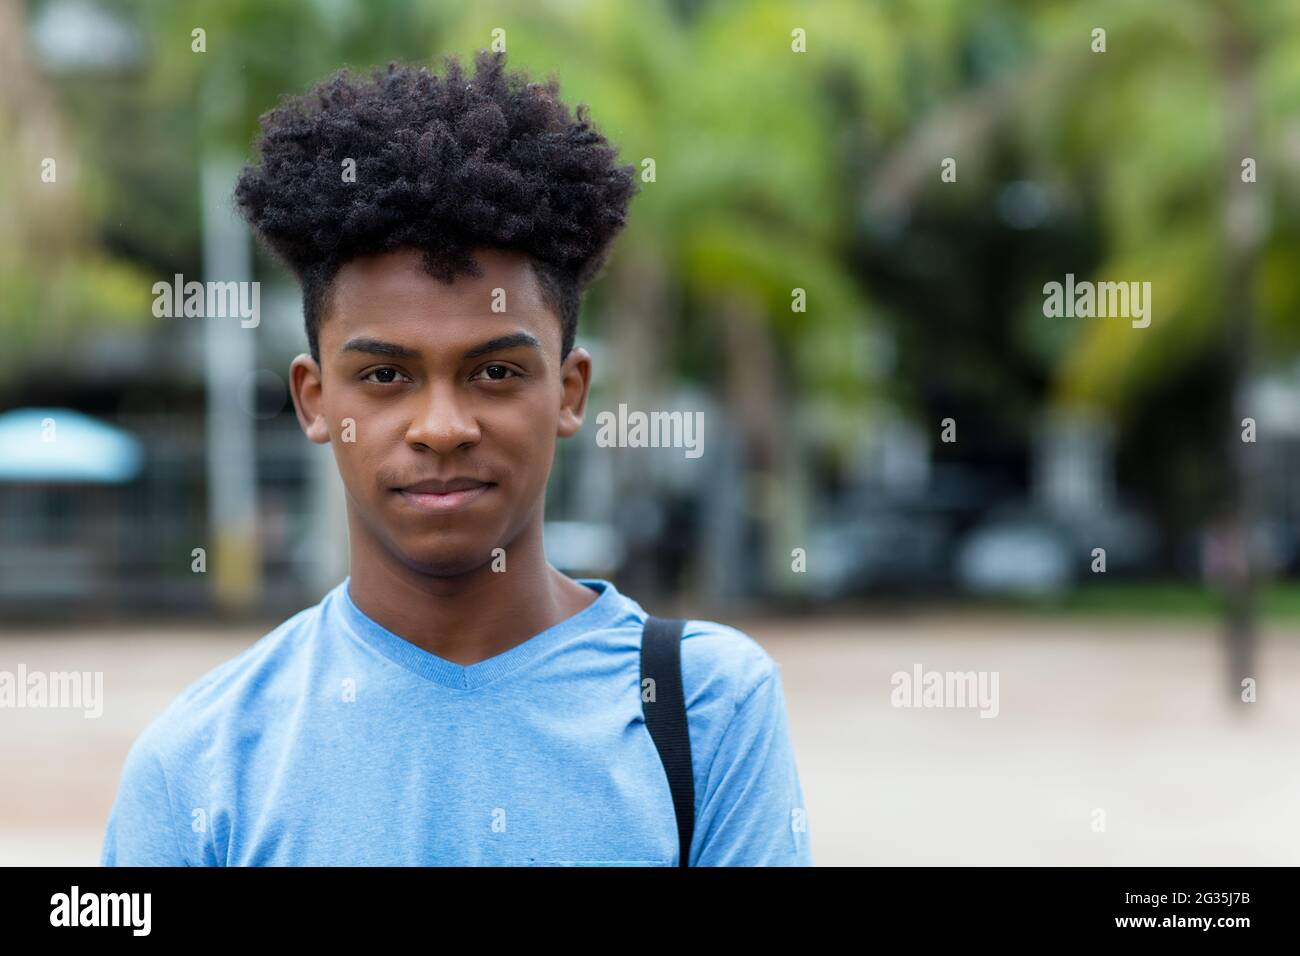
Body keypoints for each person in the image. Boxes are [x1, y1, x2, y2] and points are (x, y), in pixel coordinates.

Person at [101, 50, 812, 866]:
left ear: (571, 392)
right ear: (315, 400)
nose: (442, 425)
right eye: (385, 375)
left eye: (496, 372)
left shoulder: (704, 709)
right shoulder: (201, 762)